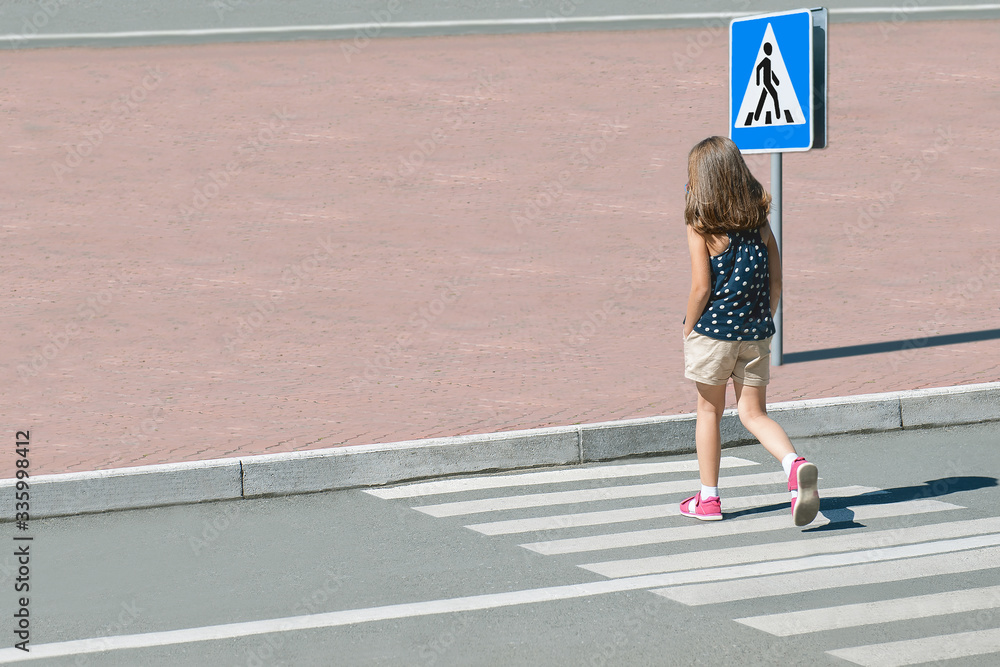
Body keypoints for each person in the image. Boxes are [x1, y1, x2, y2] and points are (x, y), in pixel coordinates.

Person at [679, 136, 819, 526]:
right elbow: (775, 281)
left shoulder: (701, 225)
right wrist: (764, 322)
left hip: (713, 334)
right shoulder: (759, 223)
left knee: (709, 410)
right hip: (756, 331)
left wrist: (688, 329)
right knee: (754, 413)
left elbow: (700, 287)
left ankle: (708, 499)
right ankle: (793, 465)